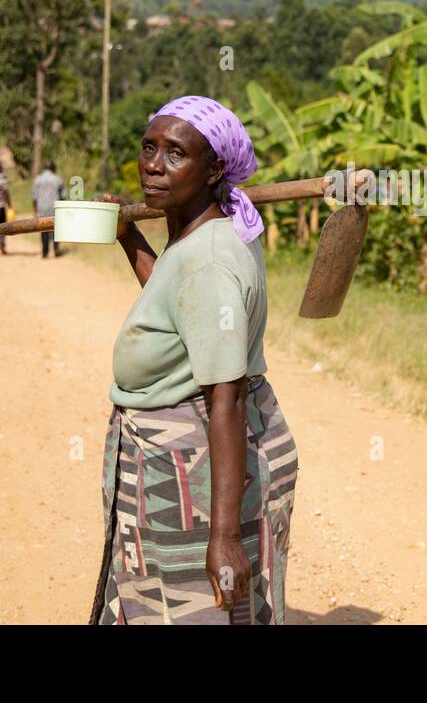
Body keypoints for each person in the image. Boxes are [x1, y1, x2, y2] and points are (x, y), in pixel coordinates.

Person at [89, 95, 296, 625]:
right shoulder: (213, 231)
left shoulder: (207, 261)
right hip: (181, 451)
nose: (153, 165)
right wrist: (128, 236)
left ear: (214, 170)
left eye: (176, 154)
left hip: (189, 462)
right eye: (148, 147)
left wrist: (223, 538)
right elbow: (180, 301)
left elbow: (223, 404)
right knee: (163, 598)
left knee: (189, 611)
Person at [32, 160, 65, 259]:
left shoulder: (38, 179)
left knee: (44, 229)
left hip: (42, 208)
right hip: (55, 207)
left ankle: (45, 251)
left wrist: (35, 210)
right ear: (53, 168)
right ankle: (56, 249)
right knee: (56, 229)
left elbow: (34, 197)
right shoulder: (58, 179)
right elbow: (63, 196)